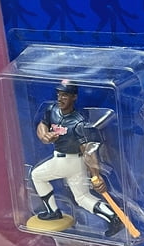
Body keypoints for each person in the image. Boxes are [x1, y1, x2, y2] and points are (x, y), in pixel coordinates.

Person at [30, 81, 123, 237]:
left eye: (65, 95)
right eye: (59, 94)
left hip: (67, 161)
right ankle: (114, 217)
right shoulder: (52, 109)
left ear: (74, 97)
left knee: (37, 175)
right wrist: (44, 135)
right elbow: (42, 124)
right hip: (71, 163)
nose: (60, 98)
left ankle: (53, 211)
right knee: (82, 197)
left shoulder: (78, 122)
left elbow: (88, 151)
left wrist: (96, 175)